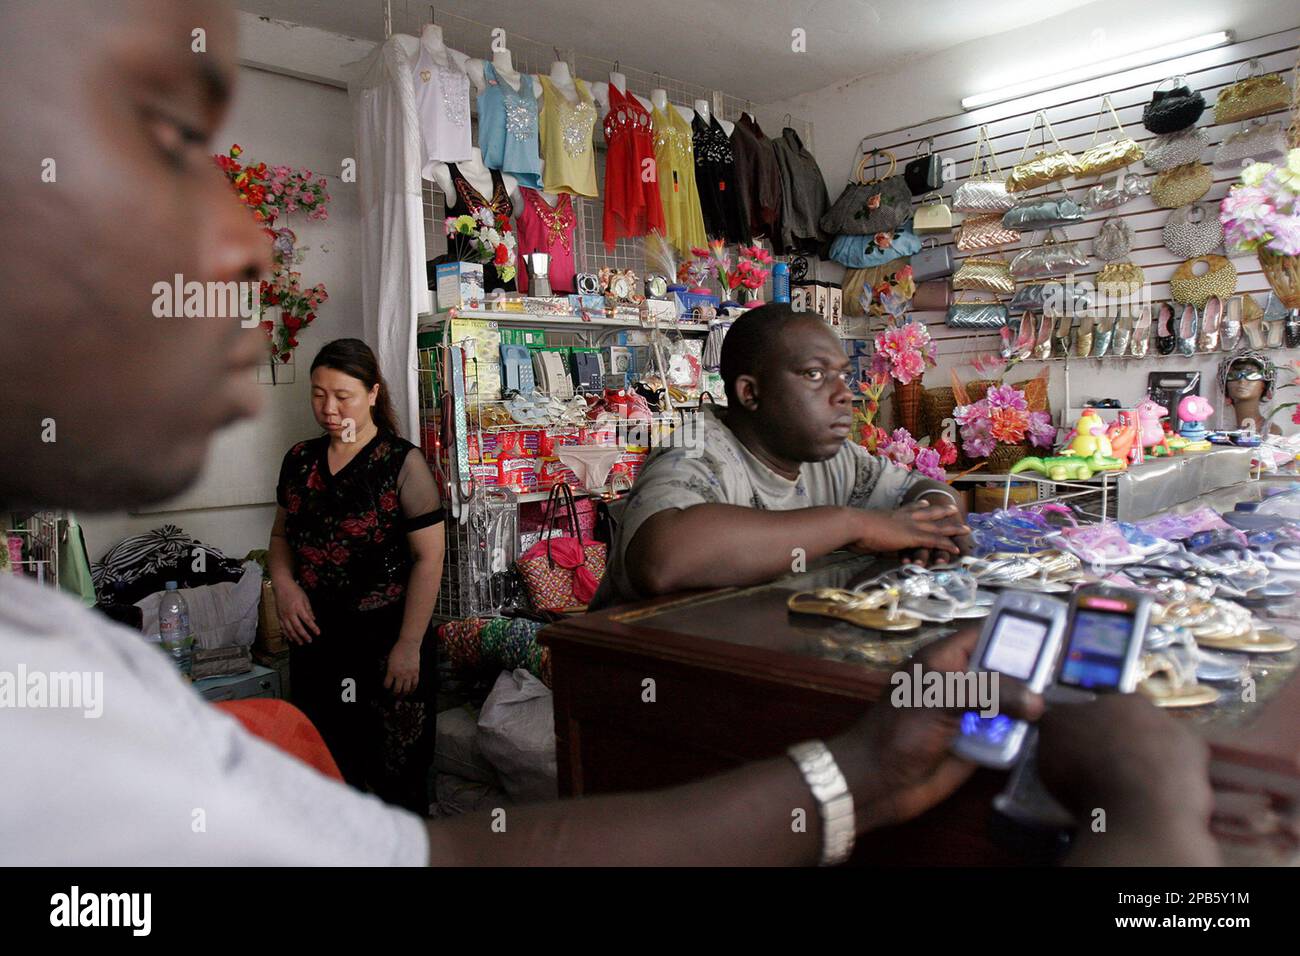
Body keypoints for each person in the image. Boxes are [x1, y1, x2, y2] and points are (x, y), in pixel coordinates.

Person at [0, 0, 1219, 866]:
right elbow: (668, 561)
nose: (248, 251)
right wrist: (1167, 838)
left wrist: (860, 772)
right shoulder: (44, 712)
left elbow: (425, 861)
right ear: (743, 391)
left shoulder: (58, 665)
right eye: (167, 136)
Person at [590, 304, 971, 610]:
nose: (844, 395)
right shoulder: (693, 447)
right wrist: (854, 524)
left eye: (843, 376)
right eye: (814, 374)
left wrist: (931, 526)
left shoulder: (833, 458)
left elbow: (932, 492)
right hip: (636, 677)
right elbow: (662, 560)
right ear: (750, 393)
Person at [269, 339, 444, 814]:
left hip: (387, 641)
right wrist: (284, 588)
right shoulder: (300, 460)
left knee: (395, 781)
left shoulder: (401, 464)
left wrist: (409, 645)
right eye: (318, 393)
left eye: (342, 395)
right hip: (317, 640)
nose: (328, 408)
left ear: (372, 393)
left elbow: (429, 559)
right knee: (326, 773)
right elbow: (282, 538)